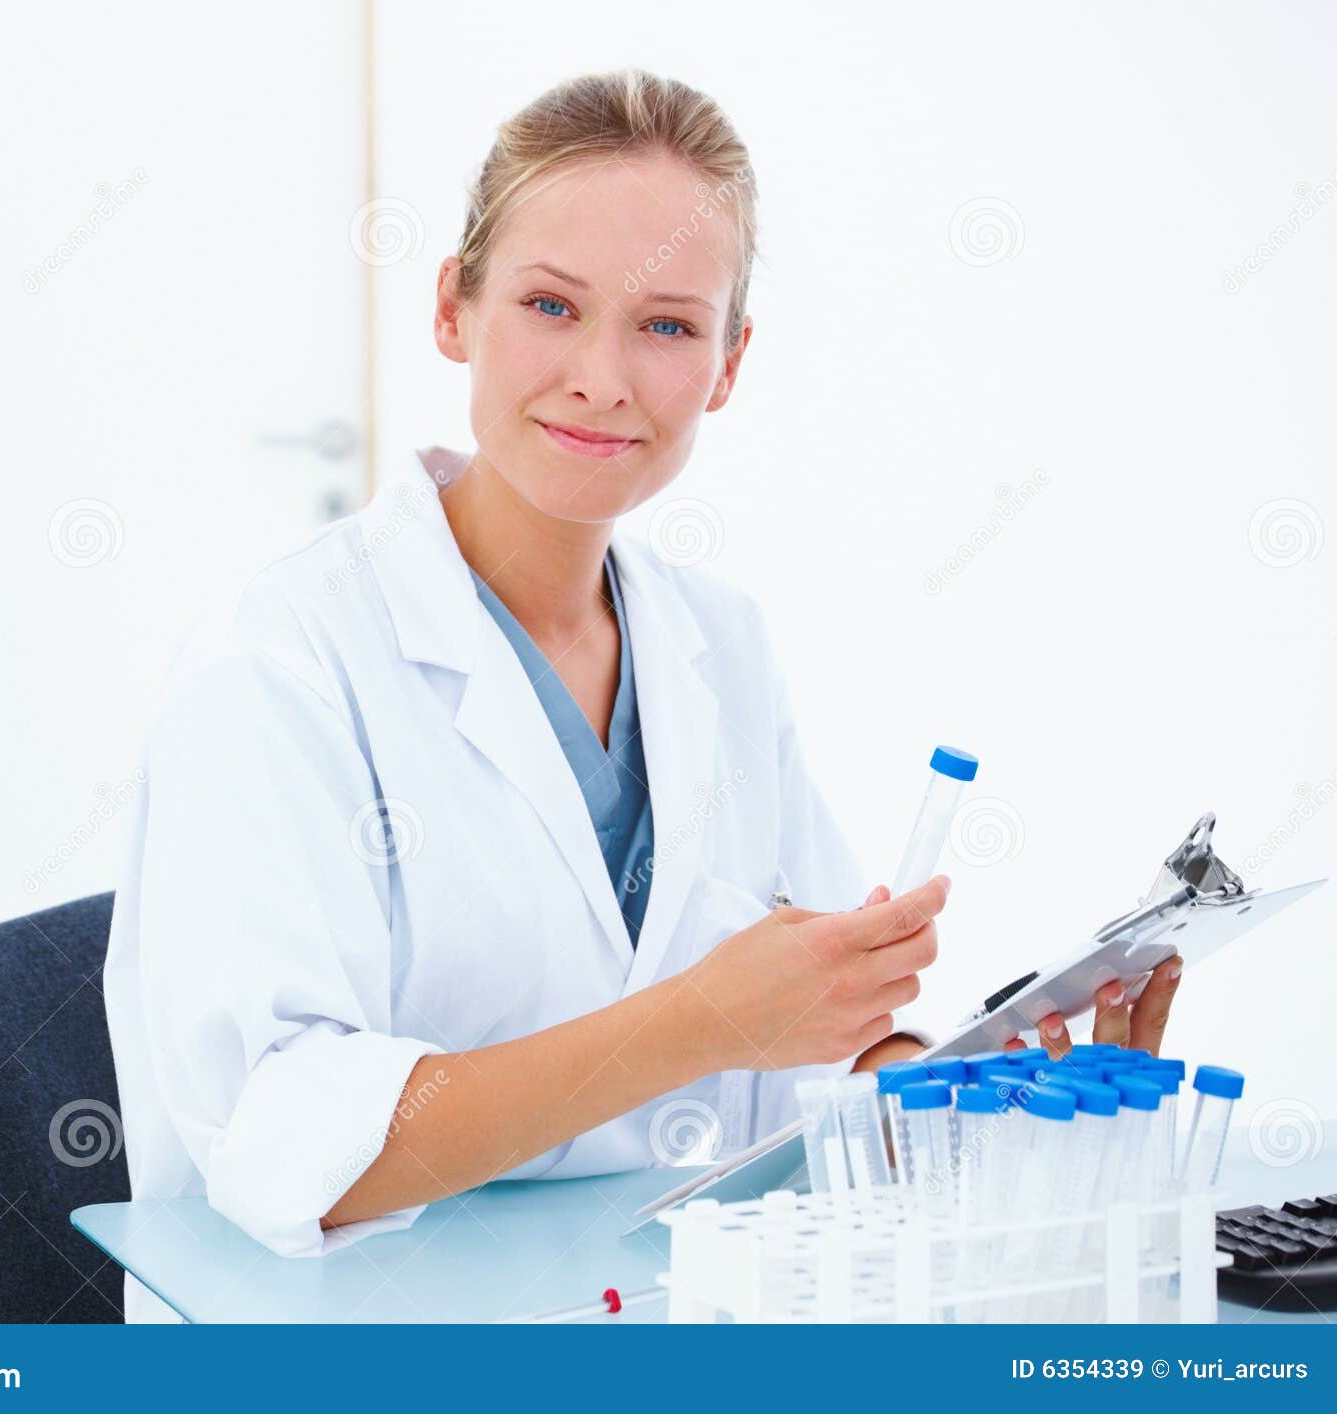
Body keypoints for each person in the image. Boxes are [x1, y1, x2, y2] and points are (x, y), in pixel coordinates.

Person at [103, 68, 1181, 1323]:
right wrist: (692, 1024)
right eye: (550, 305)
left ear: (728, 363)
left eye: (668, 326)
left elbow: (811, 1035)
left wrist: (978, 1100)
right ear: (454, 309)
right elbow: (289, 1151)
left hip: (645, 1315)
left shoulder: (716, 645)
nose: (603, 377)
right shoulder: (278, 663)